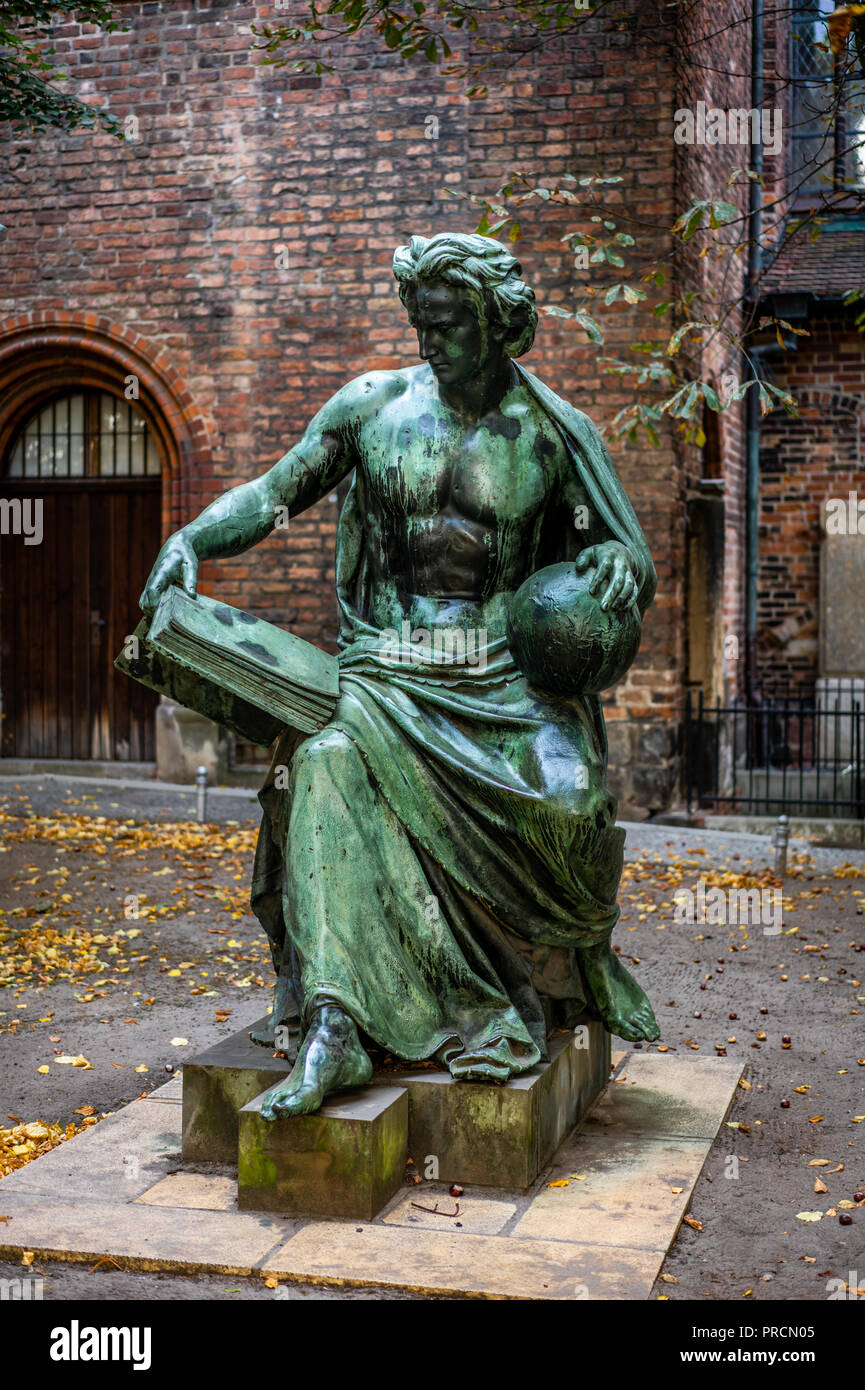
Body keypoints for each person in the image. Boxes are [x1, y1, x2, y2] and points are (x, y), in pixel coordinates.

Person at [140, 232, 660, 1120]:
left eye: (451, 324)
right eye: (421, 322)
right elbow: (272, 495)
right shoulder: (371, 406)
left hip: (502, 683)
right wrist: (189, 538)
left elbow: (625, 553)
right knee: (325, 766)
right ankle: (335, 1028)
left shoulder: (554, 432)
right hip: (386, 670)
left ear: (498, 324)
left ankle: (566, 959)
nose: (431, 341)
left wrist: (616, 564)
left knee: (572, 809)